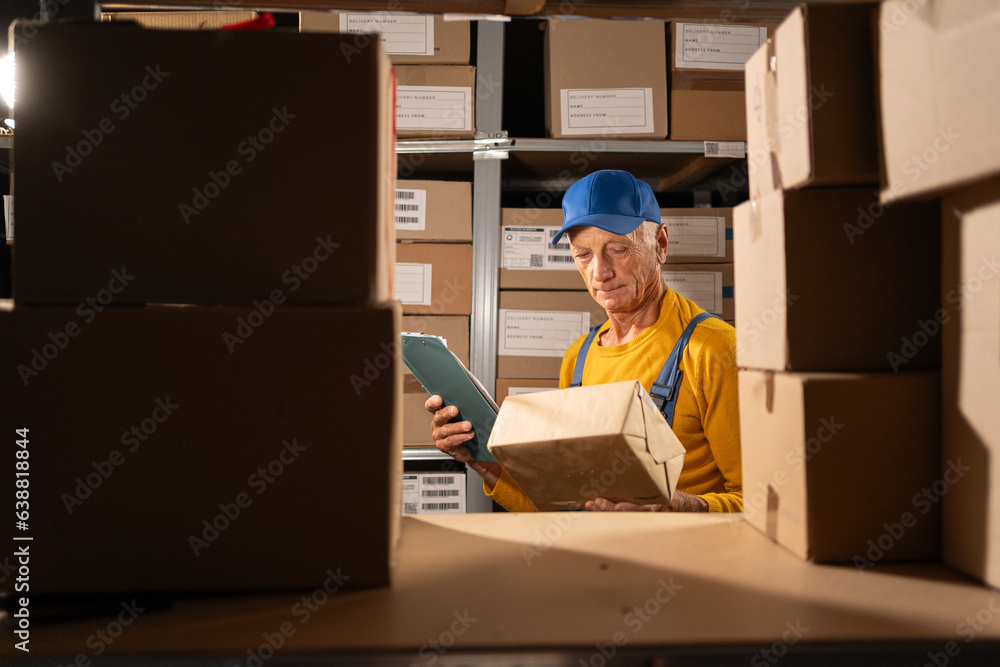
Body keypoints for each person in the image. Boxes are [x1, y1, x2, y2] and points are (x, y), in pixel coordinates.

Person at [426, 169, 742, 513]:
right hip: (600, 561)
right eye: (583, 255)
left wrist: (675, 508)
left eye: (618, 249)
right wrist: (482, 462)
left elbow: (762, 502)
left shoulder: (715, 350)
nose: (599, 273)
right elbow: (565, 507)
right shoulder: (579, 358)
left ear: (661, 244)